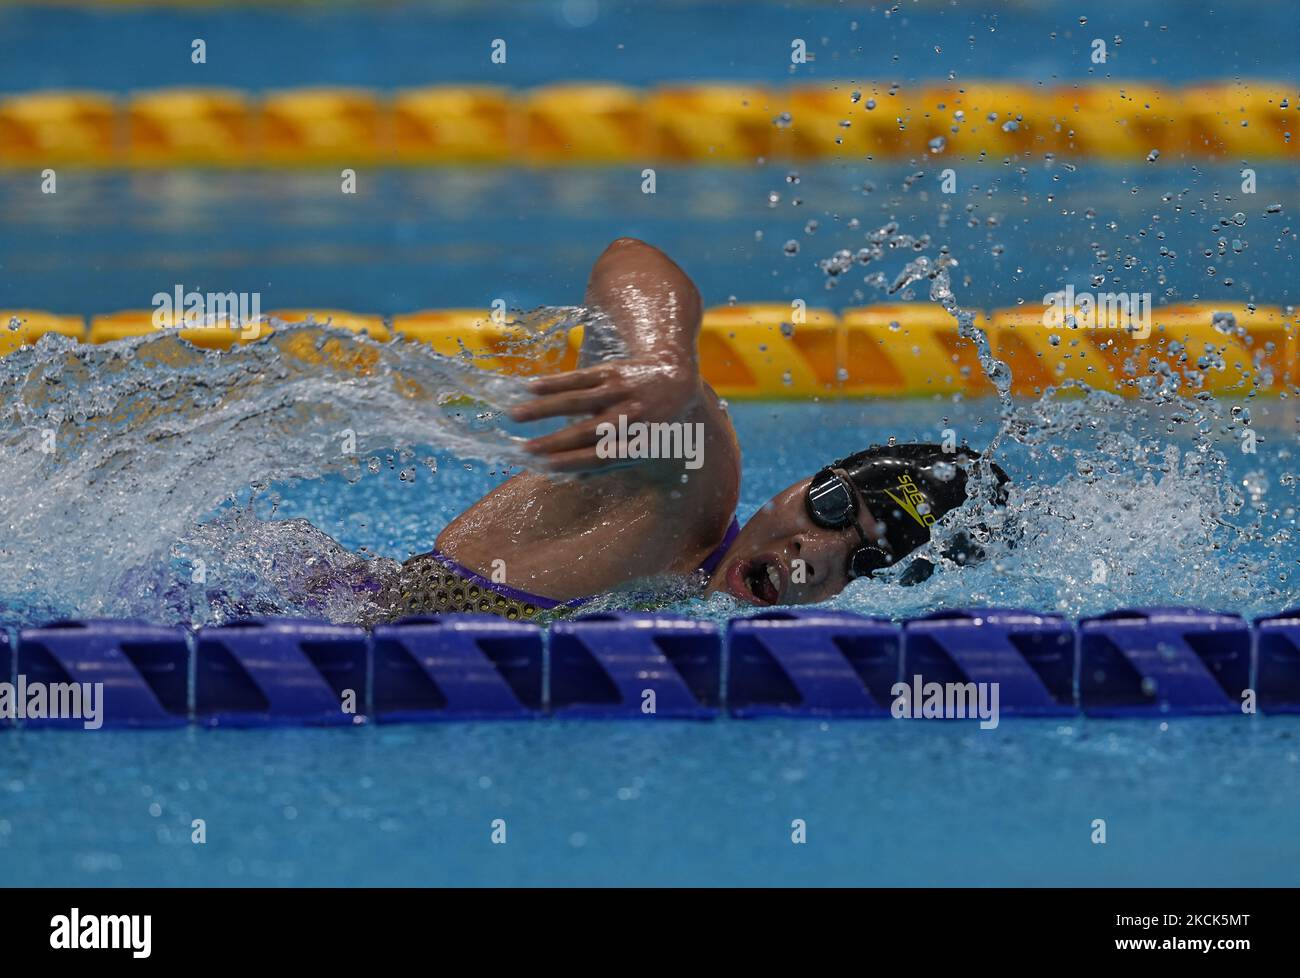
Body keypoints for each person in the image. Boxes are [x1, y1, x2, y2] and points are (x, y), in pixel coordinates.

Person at [376, 237, 1008, 622]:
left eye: (866, 564)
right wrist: (663, 359)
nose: (811, 553)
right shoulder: (683, 490)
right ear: (804, 481)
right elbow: (631, 260)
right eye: (830, 506)